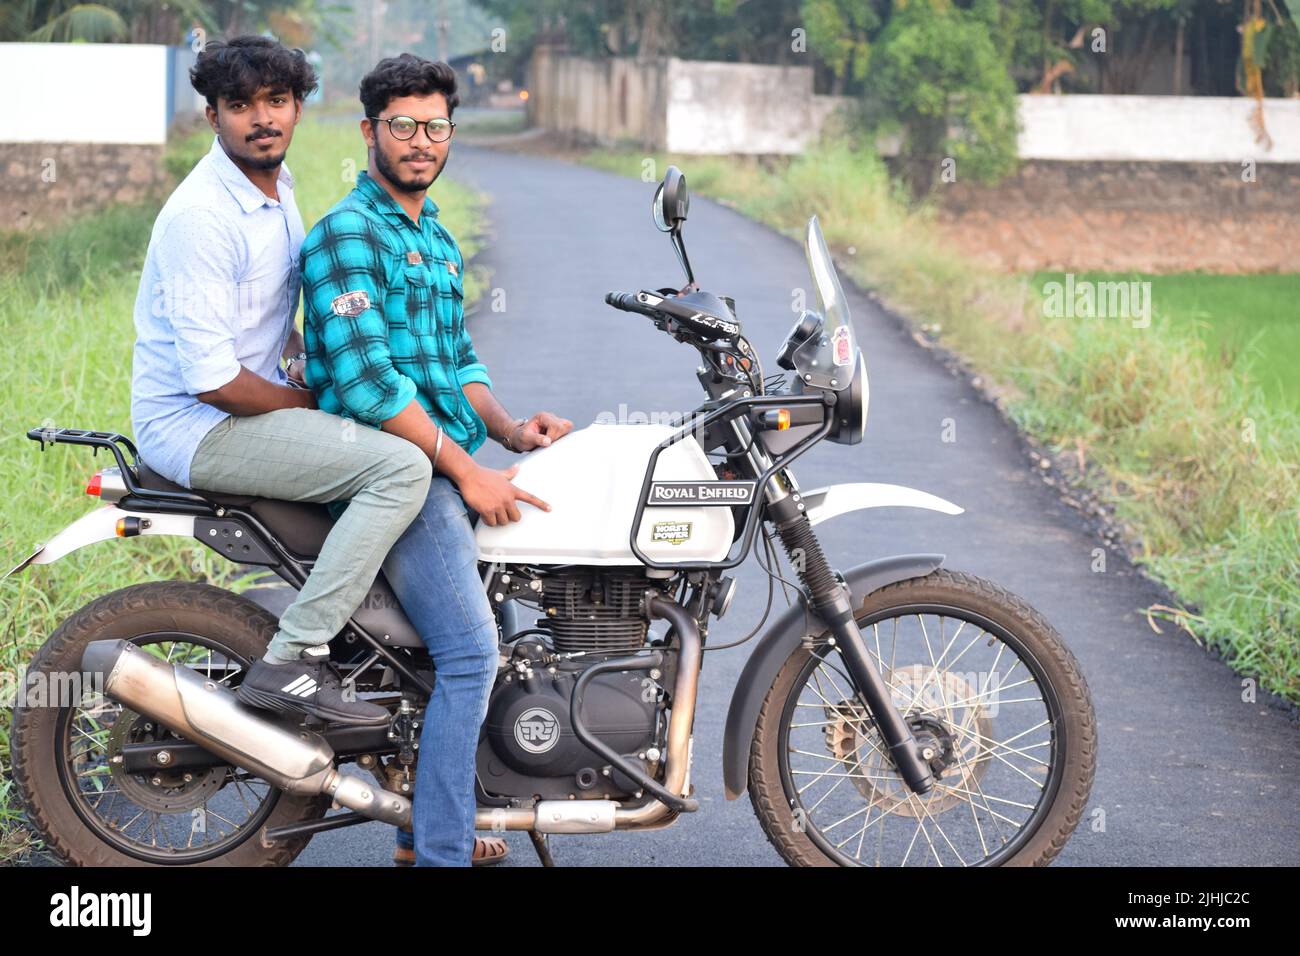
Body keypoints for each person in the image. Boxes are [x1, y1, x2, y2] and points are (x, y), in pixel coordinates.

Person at [299, 53, 573, 867]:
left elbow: (458, 360)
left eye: (435, 126)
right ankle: (441, 850)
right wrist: (466, 469)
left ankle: (431, 820)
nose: (420, 141)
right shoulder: (348, 233)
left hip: (437, 464)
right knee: (471, 653)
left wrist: (511, 432)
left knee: (497, 622)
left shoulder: (437, 236)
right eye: (403, 125)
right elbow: (369, 382)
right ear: (369, 131)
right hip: (396, 472)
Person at [130, 36, 431, 727]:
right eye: (240, 105)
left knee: (395, 427)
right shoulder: (204, 217)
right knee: (401, 468)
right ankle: (293, 657)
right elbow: (214, 380)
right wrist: (316, 399)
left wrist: (313, 363)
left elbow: (268, 320)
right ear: (213, 116)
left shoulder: (274, 189)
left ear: (298, 107)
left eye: (276, 100)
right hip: (200, 427)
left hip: (240, 409)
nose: (261, 118)